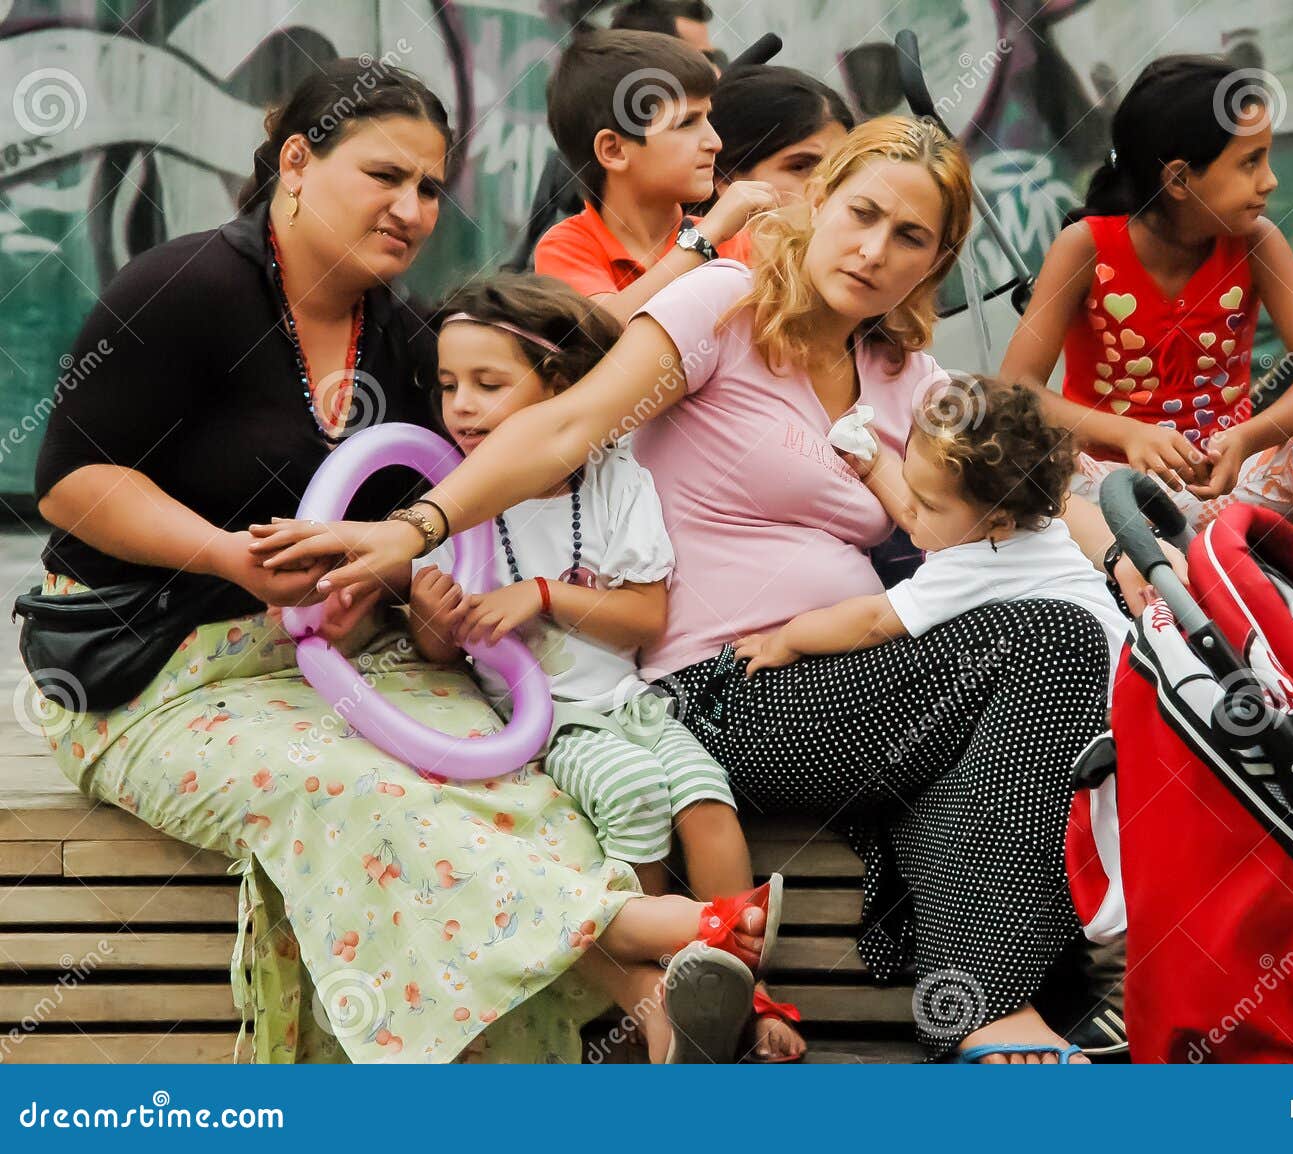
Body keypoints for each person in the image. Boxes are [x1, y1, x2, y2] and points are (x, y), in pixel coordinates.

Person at [250, 116, 1116, 1063]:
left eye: (910, 237)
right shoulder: (723, 306)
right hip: (709, 695)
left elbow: (1034, 498)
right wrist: (413, 528)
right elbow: (561, 426)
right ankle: (992, 1005)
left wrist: (1144, 567)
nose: (874, 251)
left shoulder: (905, 375)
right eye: (861, 213)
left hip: (854, 687)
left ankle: (983, 1012)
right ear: (817, 202)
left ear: (936, 260)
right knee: (1045, 641)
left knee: (1066, 637)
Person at [27, 61, 778, 1066]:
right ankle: (644, 938)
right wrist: (226, 556)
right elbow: (72, 480)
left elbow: (562, 372)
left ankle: (649, 1008)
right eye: (386, 175)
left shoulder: (404, 334)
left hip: (329, 664)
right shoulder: (188, 284)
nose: (413, 208)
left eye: (429, 188)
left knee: (520, 782)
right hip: (148, 674)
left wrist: (381, 589)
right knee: (359, 791)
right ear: (298, 162)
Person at [408, 270, 804, 1061]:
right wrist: (435, 618)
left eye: (489, 383)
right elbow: (435, 650)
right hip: (548, 723)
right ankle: (654, 997)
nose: (462, 406)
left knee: (702, 793)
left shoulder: (618, 481)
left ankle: (734, 989)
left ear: (561, 388)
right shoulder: (452, 498)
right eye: (449, 385)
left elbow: (644, 615)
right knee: (631, 794)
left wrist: (544, 594)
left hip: (630, 699)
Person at [1001, 55, 1293, 551]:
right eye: (1250, 161)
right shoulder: (1085, 246)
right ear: (1180, 180)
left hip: (1228, 486)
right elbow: (1016, 387)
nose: (1269, 180)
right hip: (1109, 493)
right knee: (1024, 460)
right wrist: (1127, 436)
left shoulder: (1256, 242)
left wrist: (1246, 438)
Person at [736, 377, 1127, 695]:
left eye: (932, 506)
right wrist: (873, 468)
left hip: (1094, 696)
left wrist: (788, 639)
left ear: (999, 521)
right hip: (1126, 668)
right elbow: (916, 511)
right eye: (912, 489)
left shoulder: (976, 565)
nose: (914, 513)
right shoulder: (1032, 528)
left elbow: (872, 620)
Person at [533, 30, 774, 321]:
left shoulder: (737, 241)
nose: (715, 142)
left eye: (707, 117)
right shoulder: (567, 247)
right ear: (614, 150)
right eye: (686, 123)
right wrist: (705, 239)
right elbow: (602, 334)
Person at [707, 65, 856, 204]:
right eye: (800, 166)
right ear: (725, 180)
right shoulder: (697, 231)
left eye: (843, 169)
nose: (829, 188)